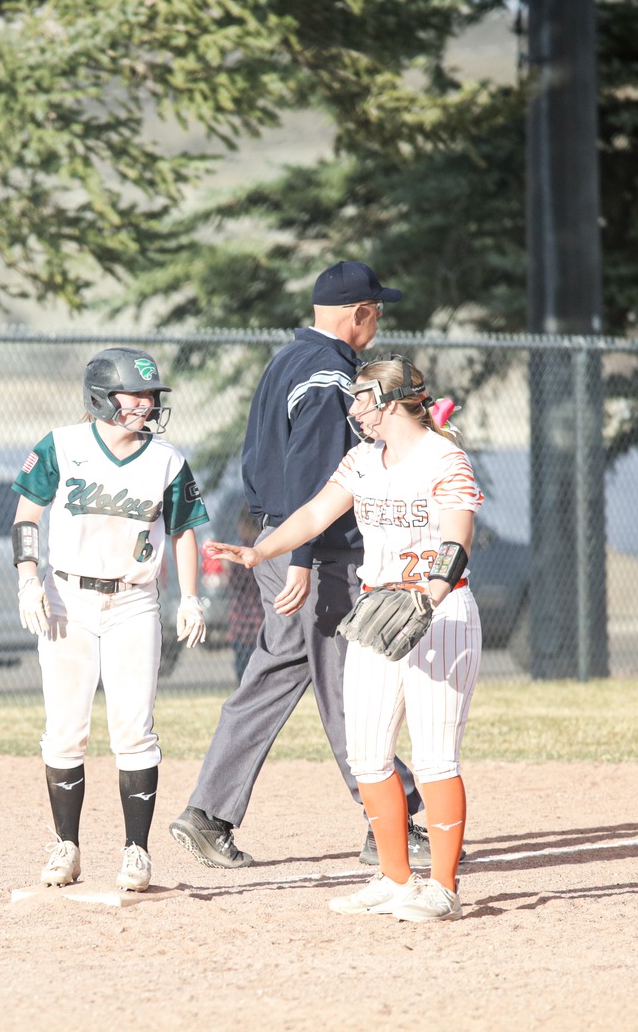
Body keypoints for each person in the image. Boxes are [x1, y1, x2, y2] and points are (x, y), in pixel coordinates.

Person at [167, 260, 428, 871]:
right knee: (350, 686)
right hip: (317, 556)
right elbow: (311, 477)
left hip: (282, 546)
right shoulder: (329, 375)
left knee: (277, 674)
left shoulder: (286, 362)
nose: (379, 319)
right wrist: (303, 560)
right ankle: (389, 817)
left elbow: (261, 462)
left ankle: (208, 813)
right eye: (376, 309)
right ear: (358, 313)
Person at [207, 355, 481, 921]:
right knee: (367, 753)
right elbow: (313, 514)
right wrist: (262, 551)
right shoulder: (362, 460)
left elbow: (458, 538)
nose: (354, 409)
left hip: (440, 613)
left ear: (394, 401)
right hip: (379, 609)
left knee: (433, 756)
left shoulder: (445, 458)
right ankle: (395, 876)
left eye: (363, 399)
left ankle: (444, 886)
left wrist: (429, 595)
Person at [12, 347, 209, 893]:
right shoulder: (62, 445)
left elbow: (185, 529)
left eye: (150, 396)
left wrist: (190, 597)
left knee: (133, 728)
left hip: (133, 603)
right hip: (65, 599)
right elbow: (27, 515)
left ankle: (136, 852)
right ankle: (66, 846)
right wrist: (29, 578)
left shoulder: (166, 459)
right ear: (102, 396)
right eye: (135, 394)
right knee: (66, 729)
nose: (146, 405)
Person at [225, 512, 263, 681]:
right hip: (261, 620)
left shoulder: (242, 552)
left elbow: (233, 581)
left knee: (242, 673)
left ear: (244, 526)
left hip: (241, 623)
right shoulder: (265, 549)